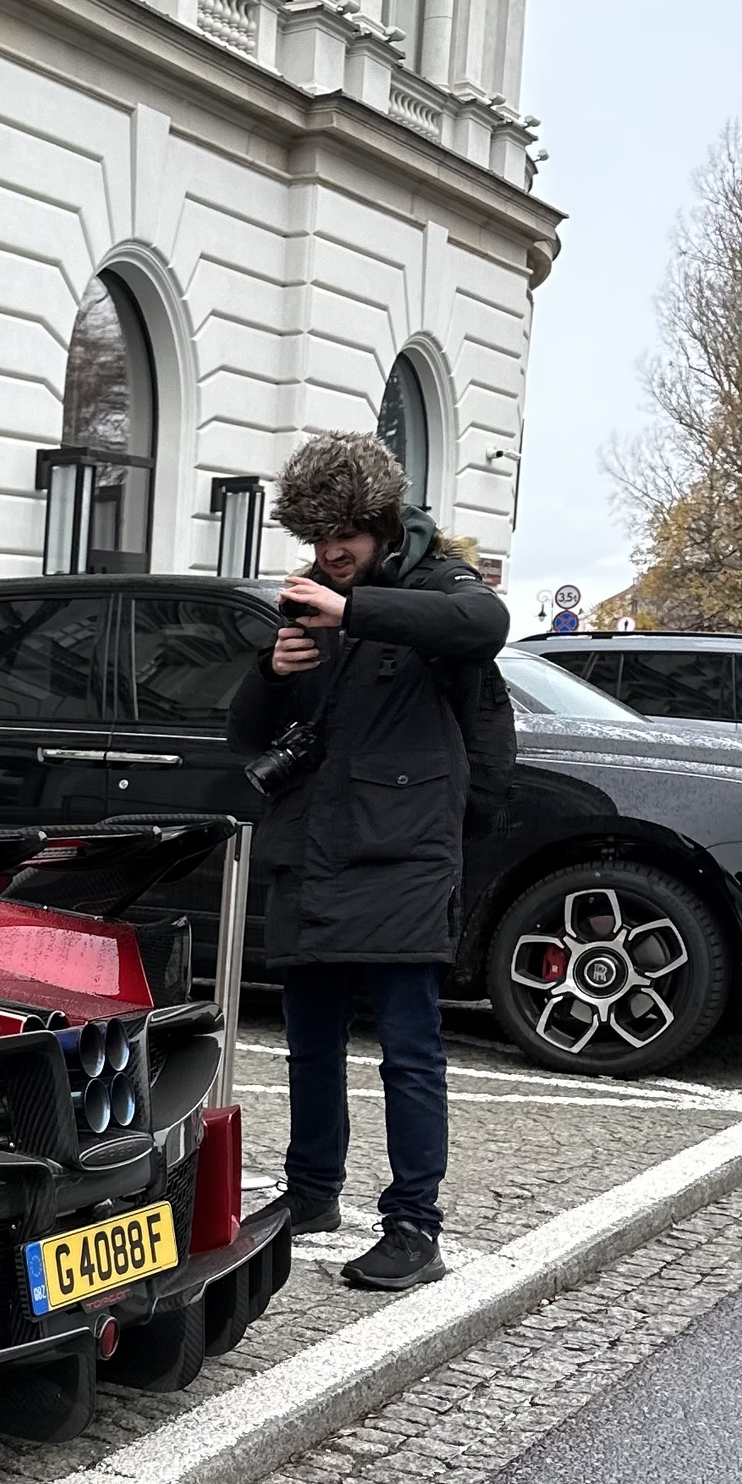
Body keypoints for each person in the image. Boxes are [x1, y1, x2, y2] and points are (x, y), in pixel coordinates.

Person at [227, 430, 510, 1293]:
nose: (330, 552)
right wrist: (273, 672)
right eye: (317, 537)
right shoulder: (312, 600)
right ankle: (311, 1192)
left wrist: (353, 613)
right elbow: (246, 733)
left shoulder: (436, 584)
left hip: (404, 855)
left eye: (345, 531)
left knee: (408, 1051)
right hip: (312, 850)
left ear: (383, 520)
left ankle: (413, 1226)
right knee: (309, 1046)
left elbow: (484, 624)